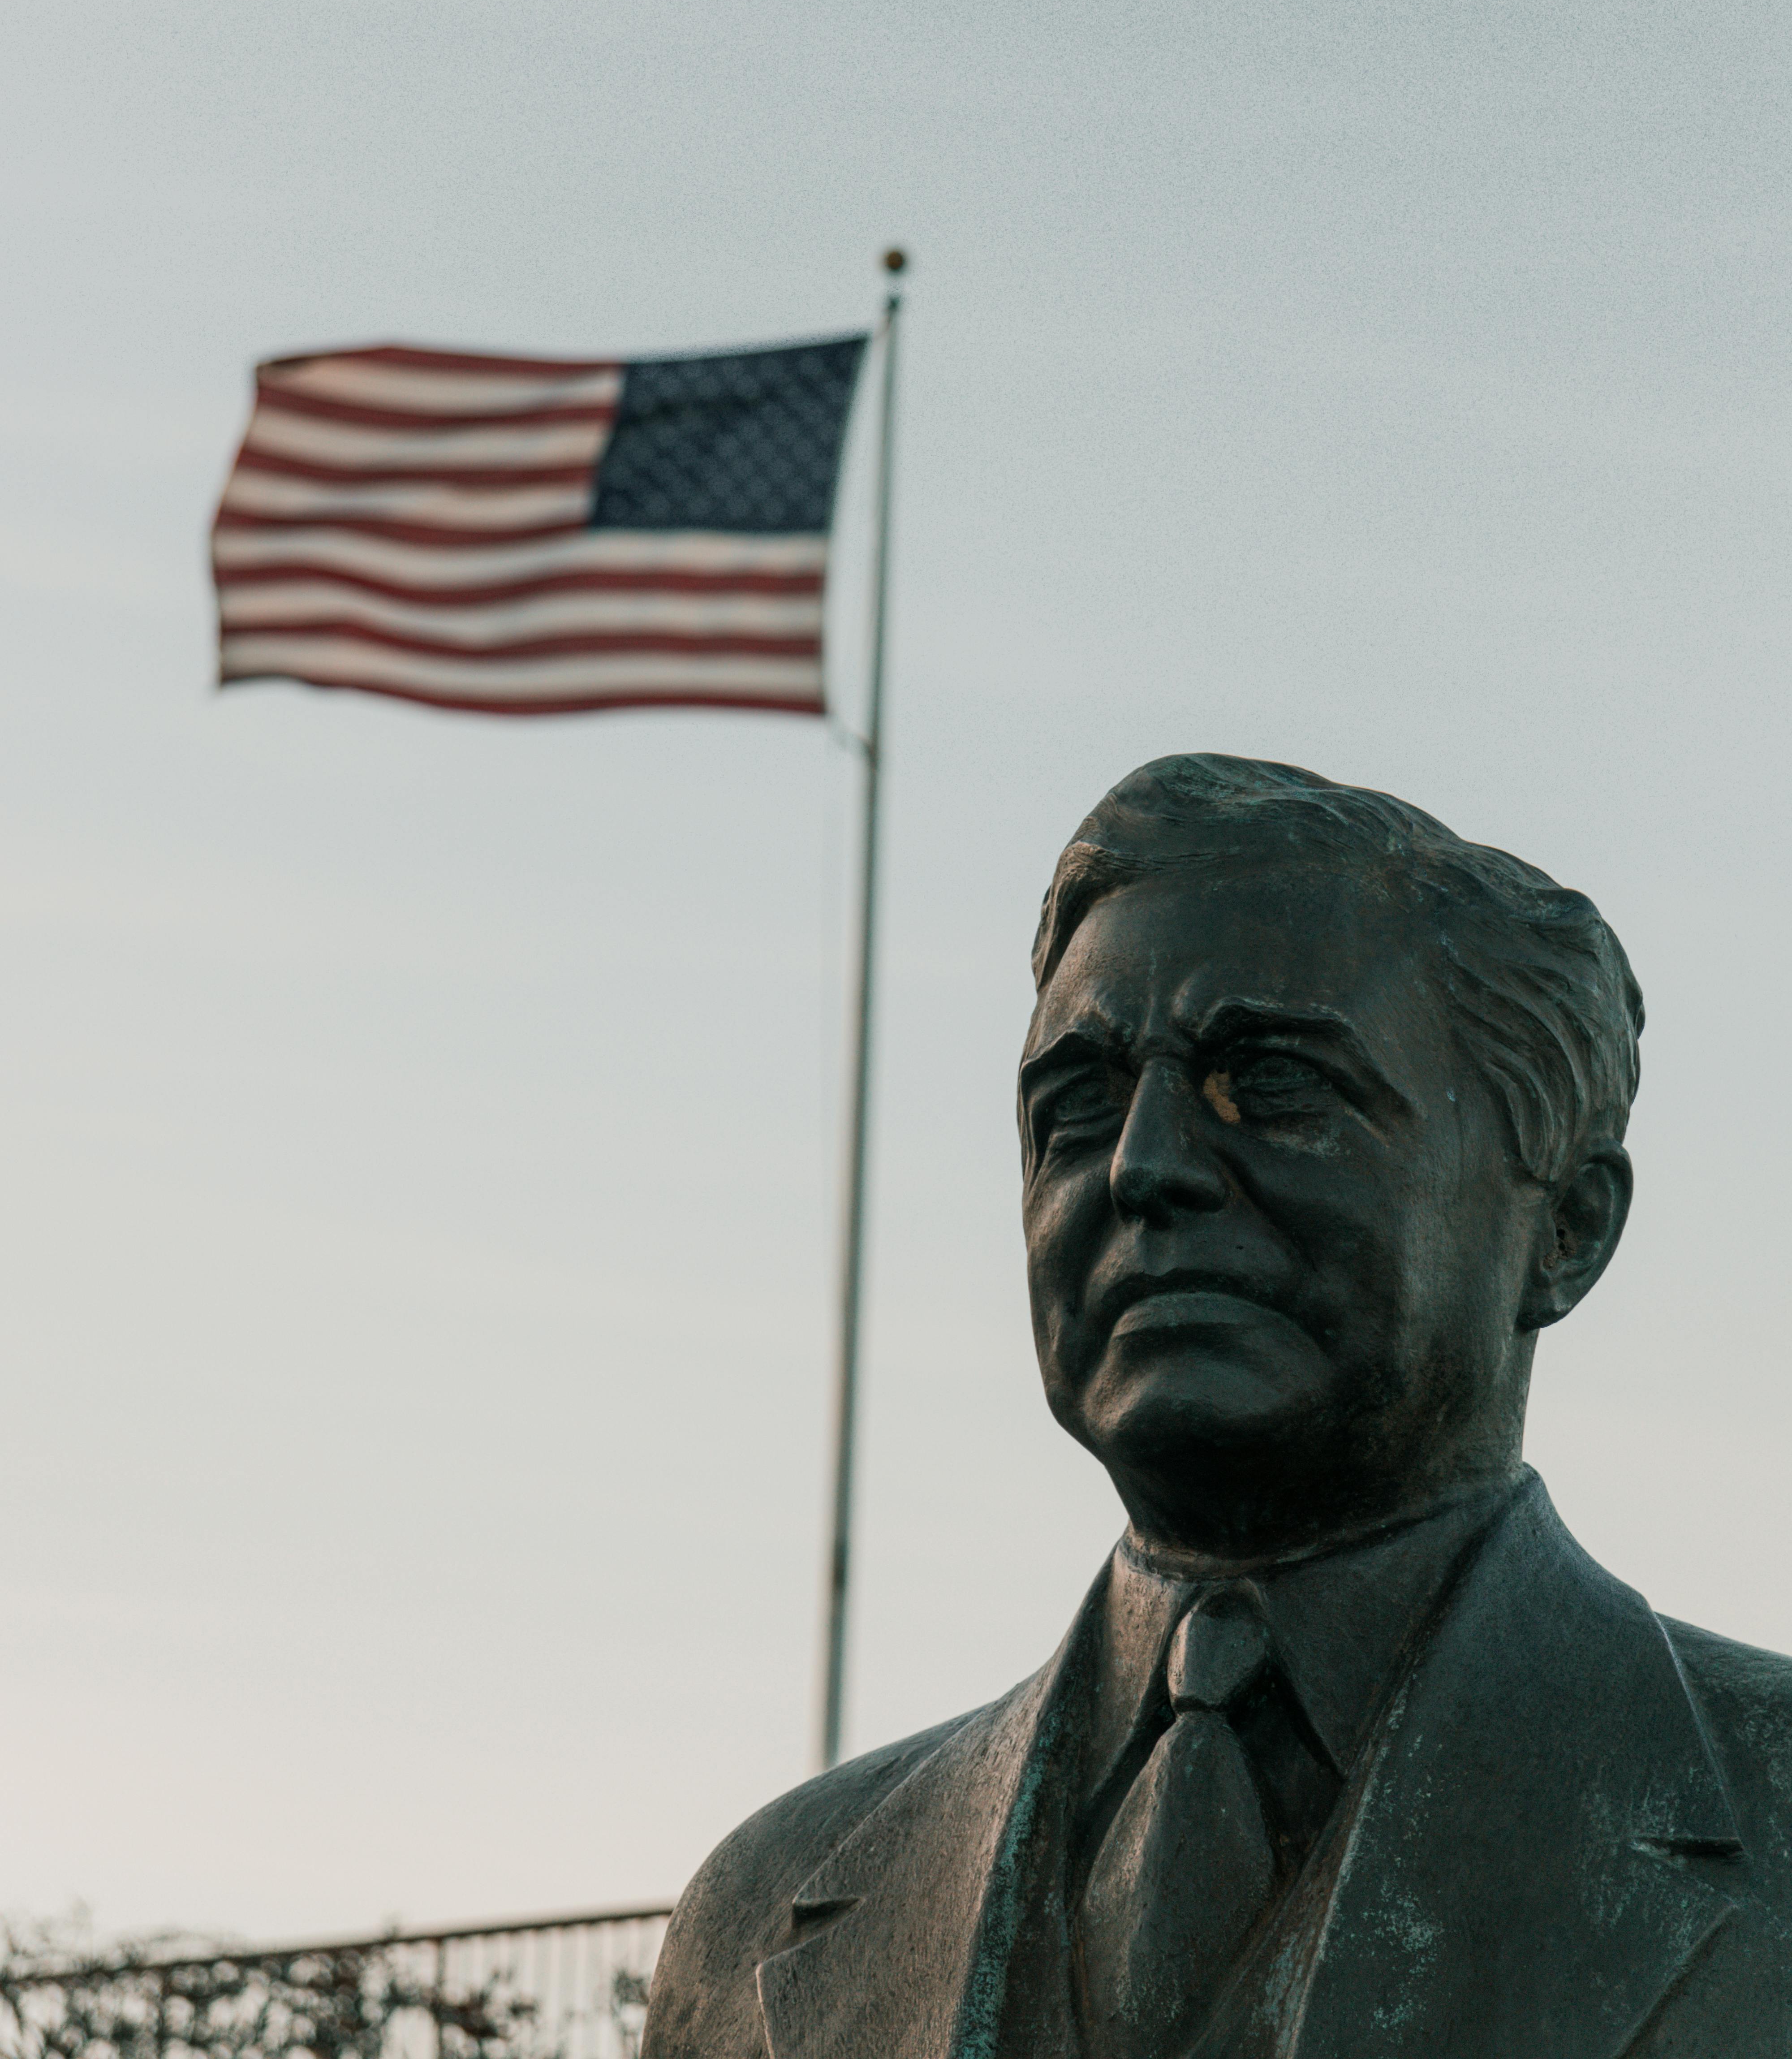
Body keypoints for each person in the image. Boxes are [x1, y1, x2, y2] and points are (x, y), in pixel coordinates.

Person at [642, 757, 1792, 2058]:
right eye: (1075, 1107)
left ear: (1566, 1230)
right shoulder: (754, 1920)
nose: (1142, 1167)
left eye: (1273, 1084)